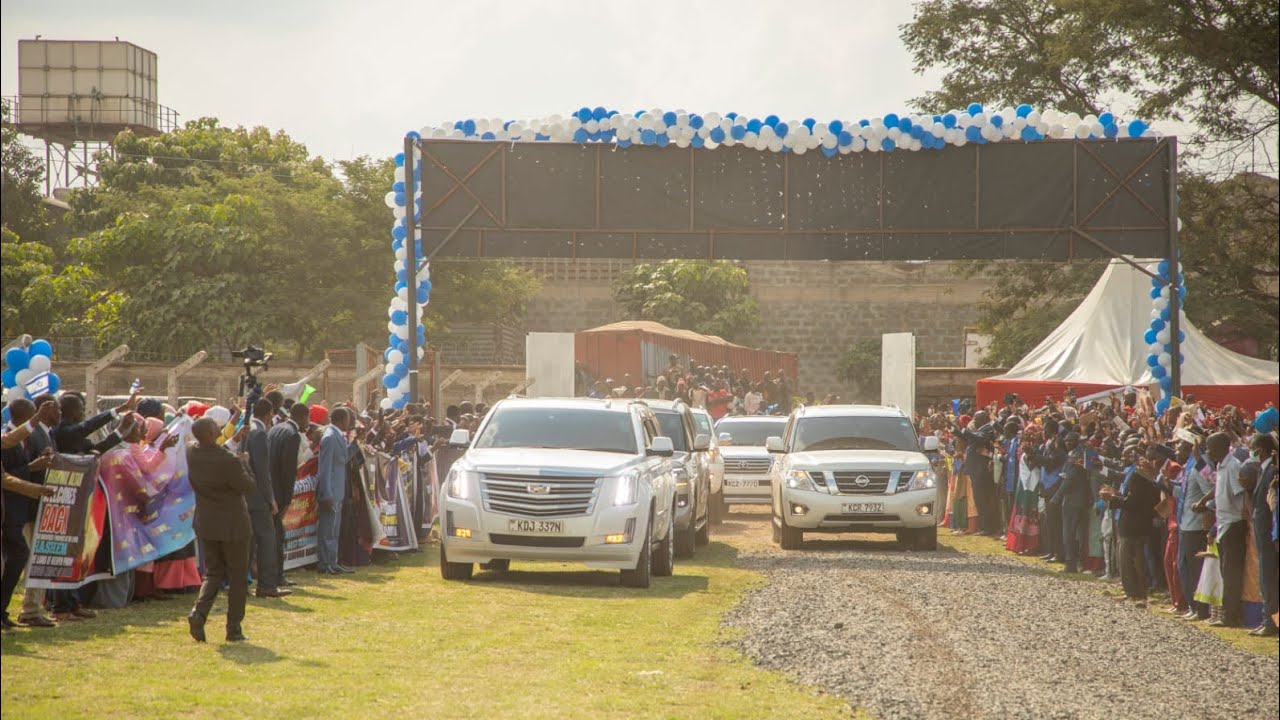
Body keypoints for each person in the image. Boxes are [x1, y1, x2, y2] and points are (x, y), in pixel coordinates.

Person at [186, 417, 256, 643]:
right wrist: (244, 462)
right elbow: (248, 486)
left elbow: (216, 452)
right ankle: (233, 628)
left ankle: (199, 613)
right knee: (237, 577)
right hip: (233, 524)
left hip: (207, 522)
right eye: (215, 427)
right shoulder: (228, 461)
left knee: (214, 573)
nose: (219, 427)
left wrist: (234, 441)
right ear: (208, 434)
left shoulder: (192, 452)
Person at [1, 400, 58, 630]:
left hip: (12, 512)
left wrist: (36, 489)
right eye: (33, 415)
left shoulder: (10, 437)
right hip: (11, 511)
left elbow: (8, 441)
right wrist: (35, 487)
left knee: (17, 557)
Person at [1100, 445, 1160, 607]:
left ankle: (1135, 593)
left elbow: (1132, 502)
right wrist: (1116, 495)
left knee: (1128, 559)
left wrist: (1112, 498)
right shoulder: (1143, 477)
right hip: (1137, 524)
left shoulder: (1140, 478)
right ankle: (1135, 592)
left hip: (1133, 525)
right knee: (1134, 559)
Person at [245, 399, 290, 599]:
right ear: (269, 413)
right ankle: (267, 585)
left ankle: (240, 584)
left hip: (245, 494)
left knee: (248, 542)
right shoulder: (260, 433)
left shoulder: (247, 428)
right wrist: (271, 499)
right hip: (258, 497)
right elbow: (263, 471)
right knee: (267, 540)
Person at [1204, 431, 1246, 627]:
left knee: (1231, 573)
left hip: (1234, 524)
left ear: (1221, 447)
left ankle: (1231, 616)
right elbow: (1221, 495)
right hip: (1222, 524)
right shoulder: (1220, 466)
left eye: (1210, 448)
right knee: (1224, 571)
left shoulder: (1233, 466)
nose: (1208, 452)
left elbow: (1240, 496)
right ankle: (1227, 613)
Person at [267, 403, 311, 588]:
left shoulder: (276, 429)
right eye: (307, 418)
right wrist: (286, 500)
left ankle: (275, 575)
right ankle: (276, 576)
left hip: (269, 489)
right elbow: (289, 470)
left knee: (274, 535)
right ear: (301, 417)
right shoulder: (293, 435)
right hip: (278, 493)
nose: (308, 423)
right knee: (277, 536)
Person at [315, 407, 354, 575]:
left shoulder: (338, 436)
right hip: (330, 491)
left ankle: (333, 561)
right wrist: (326, 493)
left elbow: (342, 459)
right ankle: (325, 563)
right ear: (340, 420)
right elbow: (325, 468)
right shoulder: (330, 437)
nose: (349, 423)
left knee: (335, 530)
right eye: (347, 419)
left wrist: (355, 445)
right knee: (327, 529)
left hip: (338, 490)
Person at [1247, 433, 1277, 636]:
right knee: (1266, 580)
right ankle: (1269, 620)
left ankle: (1271, 623)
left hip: (1268, 535)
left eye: (1253, 447)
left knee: (1270, 581)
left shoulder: (1272, 471)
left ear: (1261, 449)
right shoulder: (1263, 470)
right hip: (1263, 535)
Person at [1051, 446, 1092, 574]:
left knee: (1068, 534)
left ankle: (1070, 564)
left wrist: (1055, 499)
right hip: (1083, 504)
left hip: (1071, 504)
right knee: (1080, 535)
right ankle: (1080, 561)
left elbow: (1065, 485)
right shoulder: (1088, 471)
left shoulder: (1074, 471)